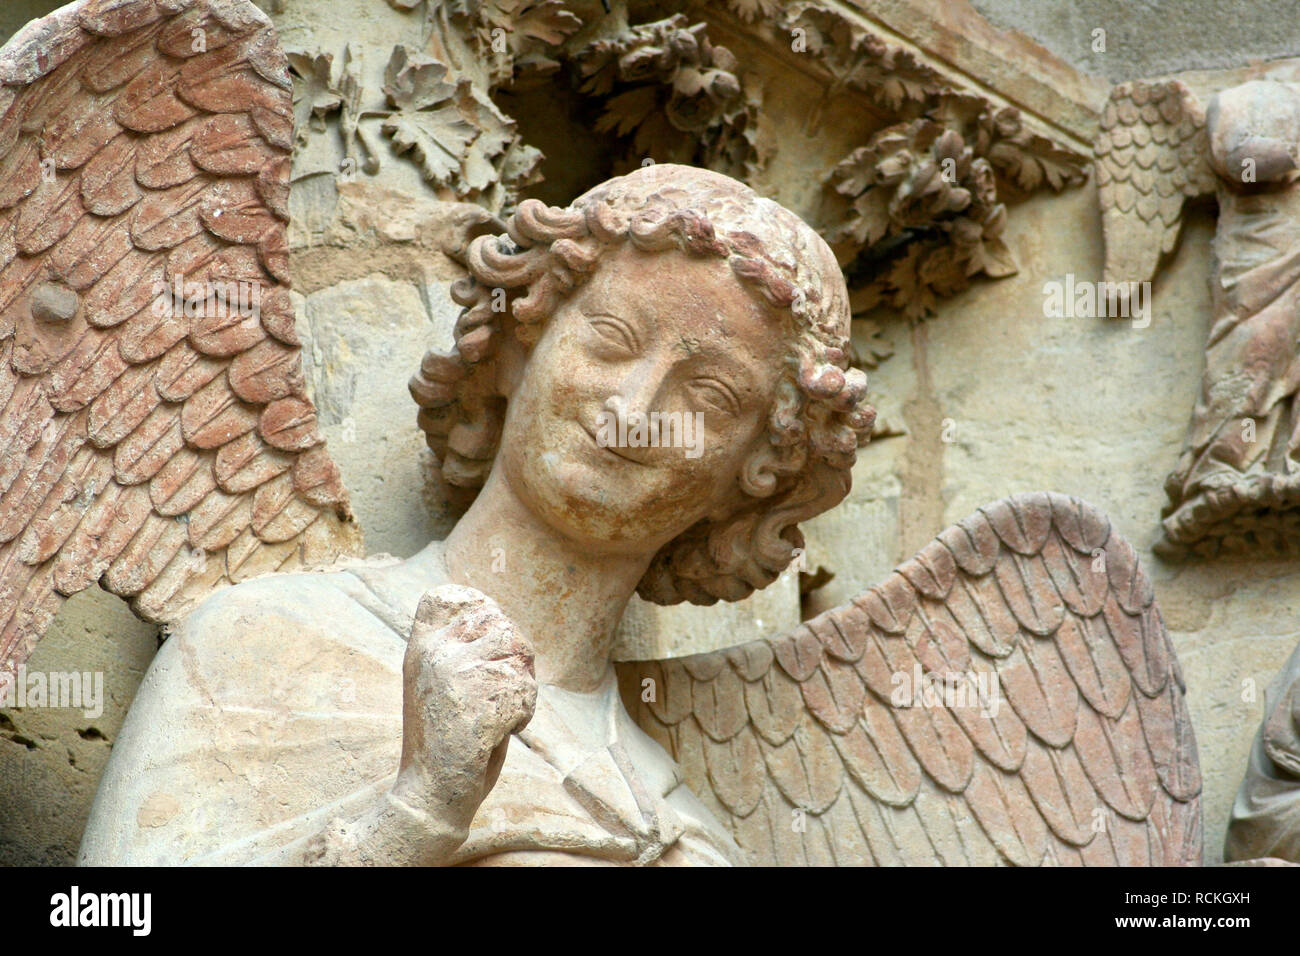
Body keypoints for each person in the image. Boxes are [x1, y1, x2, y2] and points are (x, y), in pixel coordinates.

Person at [78, 164, 874, 866]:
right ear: (517, 346)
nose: (634, 410)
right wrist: (417, 812)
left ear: (754, 478)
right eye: (611, 337)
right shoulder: (272, 643)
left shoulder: (682, 827)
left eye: (710, 396)